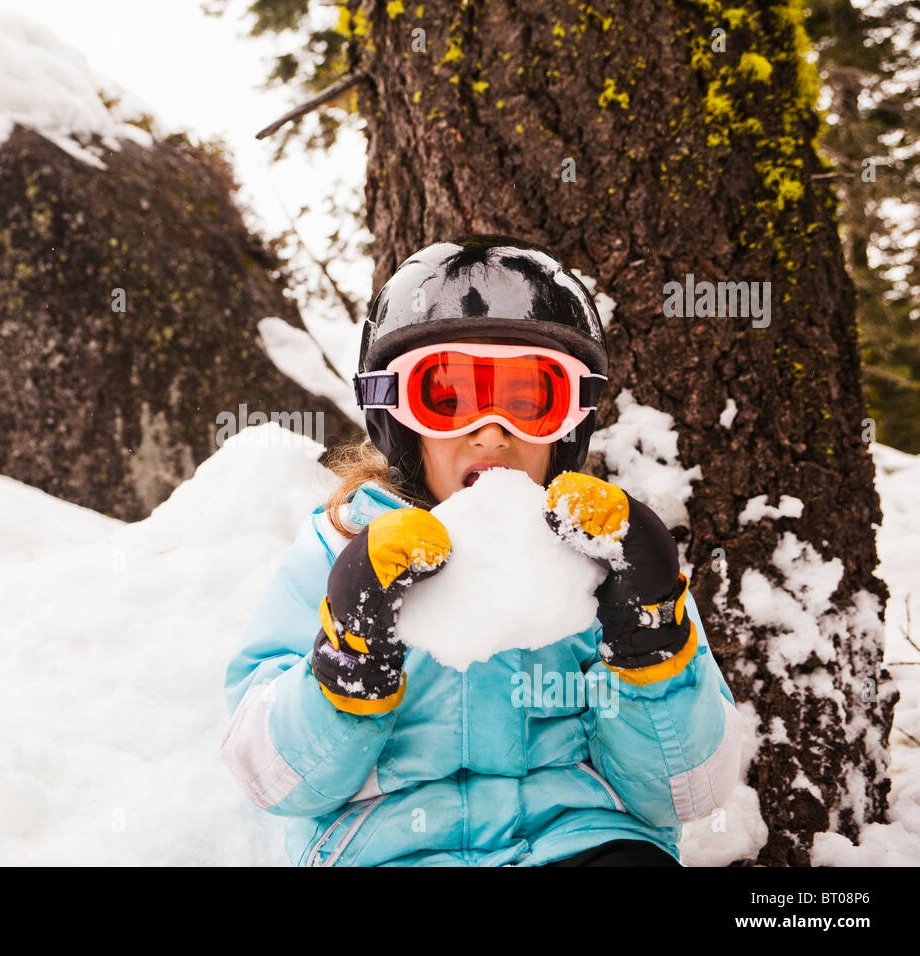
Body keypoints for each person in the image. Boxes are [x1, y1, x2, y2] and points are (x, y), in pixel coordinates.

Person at [220, 234, 742, 867]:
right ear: (398, 419)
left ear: (569, 425)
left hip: (581, 842)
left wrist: (652, 643)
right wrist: (350, 657)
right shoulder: (338, 547)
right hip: (389, 850)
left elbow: (692, 790)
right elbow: (273, 780)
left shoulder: (603, 557)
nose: (492, 431)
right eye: (449, 398)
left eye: (529, 400)